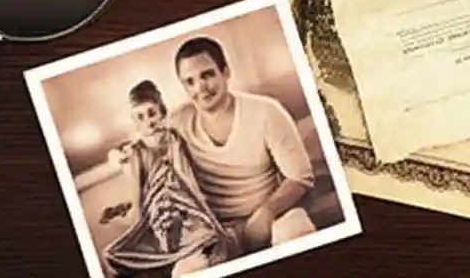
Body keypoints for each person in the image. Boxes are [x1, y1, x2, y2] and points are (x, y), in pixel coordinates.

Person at [165, 36, 316, 274]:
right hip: (216, 234)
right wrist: (116, 155)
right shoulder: (177, 122)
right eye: (190, 82)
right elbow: (144, 145)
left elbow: (301, 176)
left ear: (226, 72)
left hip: (273, 216)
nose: (200, 88)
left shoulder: (266, 111)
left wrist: (266, 212)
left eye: (207, 75)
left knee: (297, 231)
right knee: (185, 271)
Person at [101, 81, 240, 277]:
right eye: (140, 117)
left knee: (202, 244)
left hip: (188, 213)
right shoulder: (136, 151)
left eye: (152, 113)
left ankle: (197, 254)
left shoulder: (175, 138)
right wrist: (116, 156)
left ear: (162, 112)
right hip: (157, 219)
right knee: (114, 254)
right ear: (135, 123)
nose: (149, 122)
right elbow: (119, 155)